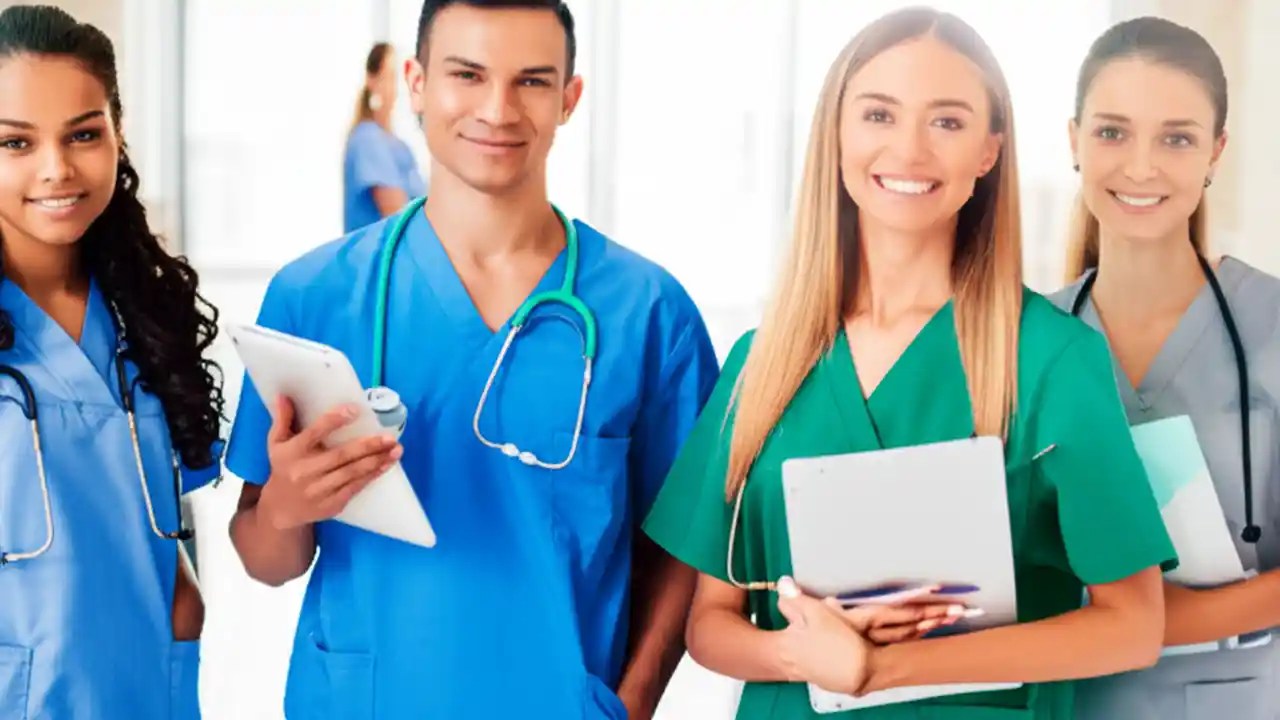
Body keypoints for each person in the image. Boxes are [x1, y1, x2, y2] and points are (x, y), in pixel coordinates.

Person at [643, 7, 1179, 719]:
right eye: (878, 114)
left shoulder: (1052, 360)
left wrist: (880, 668)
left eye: (948, 122)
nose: (909, 149)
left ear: (989, 152)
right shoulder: (761, 363)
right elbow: (710, 620)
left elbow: (1134, 627)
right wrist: (801, 654)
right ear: (837, 133)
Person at [224, 1, 718, 718]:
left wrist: (630, 705)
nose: (498, 108)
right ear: (418, 83)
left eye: (532, 81)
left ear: (569, 98)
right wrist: (284, 510)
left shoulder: (648, 313)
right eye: (468, 74)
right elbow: (266, 561)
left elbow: (682, 545)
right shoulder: (316, 296)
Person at [1049, 17, 1280, 719]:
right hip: (1061, 700)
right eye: (1112, 132)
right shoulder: (1029, 338)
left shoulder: (1272, 322)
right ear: (1074, 142)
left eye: (1176, 138)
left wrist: (1140, 622)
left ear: (1216, 151)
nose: (1141, 166)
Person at [0, 5, 225, 719]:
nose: (57, 169)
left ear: (118, 133)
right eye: (15, 143)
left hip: (146, 686)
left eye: (84, 134)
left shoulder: (145, 309)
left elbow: (158, 505)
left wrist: (183, 600)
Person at [343, 41, 425, 232]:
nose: (399, 86)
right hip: (377, 260)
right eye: (391, 76)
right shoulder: (368, 140)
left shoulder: (400, 147)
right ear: (372, 81)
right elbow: (398, 218)